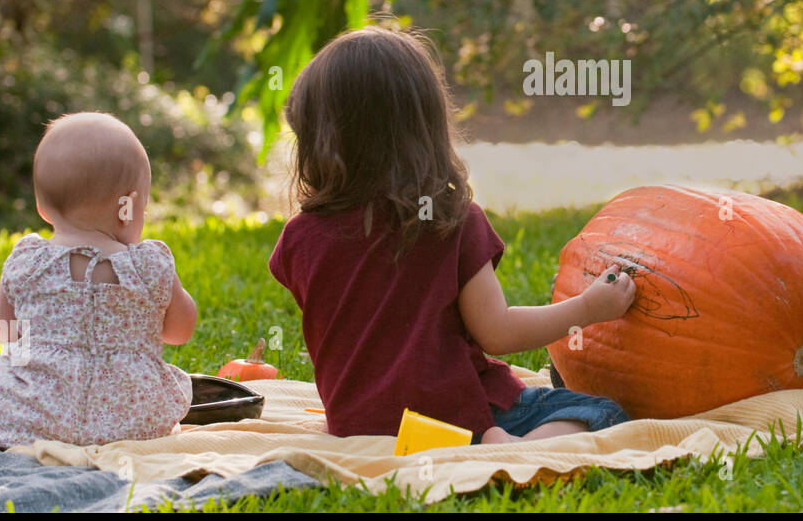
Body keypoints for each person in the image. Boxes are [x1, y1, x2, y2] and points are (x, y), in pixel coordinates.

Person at [268, 25, 636, 443]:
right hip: (458, 420)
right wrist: (586, 308)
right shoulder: (450, 221)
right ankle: (505, 447)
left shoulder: (299, 239)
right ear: (424, 130)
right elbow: (497, 332)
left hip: (357, 425)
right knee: (602, 411)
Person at [0, 112, 195, 448]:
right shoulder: (150, 266)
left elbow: (5, 329)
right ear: (128, 208)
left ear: (42, 207)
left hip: (38, 417)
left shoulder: (29, 260)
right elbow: (180, 331)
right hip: (132, 422)